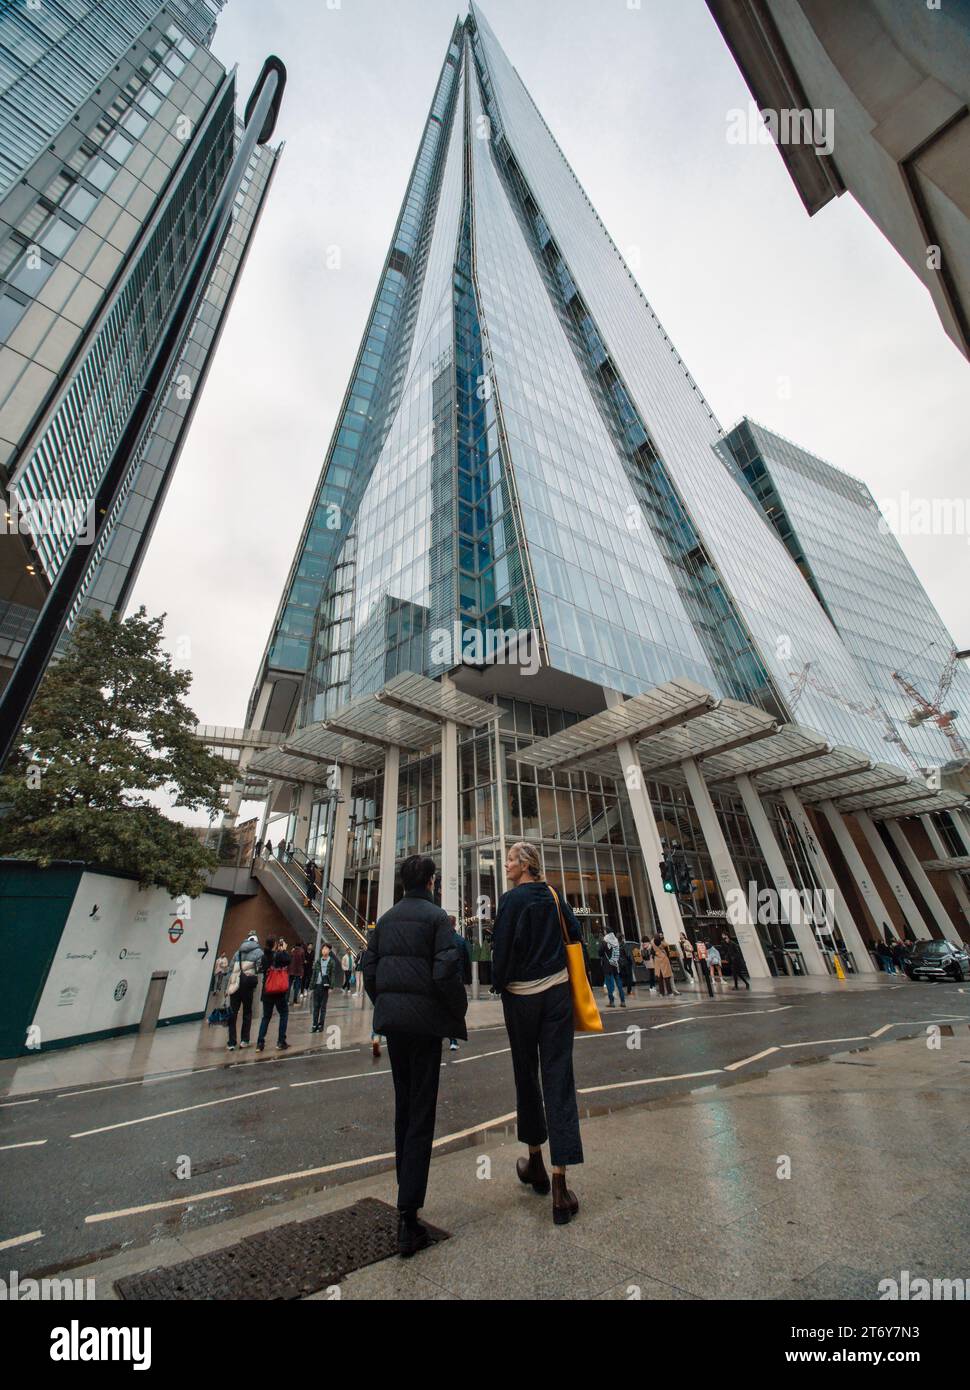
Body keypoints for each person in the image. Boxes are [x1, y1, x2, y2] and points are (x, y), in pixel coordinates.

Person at [361, 855, 467, 1257]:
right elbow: (445, 973)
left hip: (396, 1028)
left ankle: (404, 1201)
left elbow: (369, 969)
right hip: (425, 1028)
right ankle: (409, 1215)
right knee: (421, 1113)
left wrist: (386, 1004)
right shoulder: (438, 919)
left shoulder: (385, 921)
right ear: (431, 881)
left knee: (404, 1108)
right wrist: (455, 1012)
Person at [492, 841, 584, 1227]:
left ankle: (535, 1160)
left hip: (523, 1000)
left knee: (526, 1076)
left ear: (526, 865)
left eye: (512, 859)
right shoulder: (552, 895)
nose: (507, 864)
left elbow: (500, 951)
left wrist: (501, 985)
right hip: (558, 994)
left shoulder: (511, 901)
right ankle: (560, 1185)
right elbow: (575, 934)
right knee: (559, 1078)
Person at [226, 933, 262, 1050]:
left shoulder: (238, 952)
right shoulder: (258, 952)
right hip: (247, 986)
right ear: (256, 942)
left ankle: (231, 1042)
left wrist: (228, 987)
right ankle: (244, 1040)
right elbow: (259, 968)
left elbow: (230, 969)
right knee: (247, 1013)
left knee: (233, 1013)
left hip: (235, 985)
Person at [257, 938, 291, 1052]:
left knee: (266, 1017)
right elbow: (288, 960)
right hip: (278, 991)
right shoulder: (278, 956)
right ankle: (281, 1041)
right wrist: (284, 950)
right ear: (275, 945)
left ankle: (260, 1043)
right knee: (284, 1014)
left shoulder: (264, 956)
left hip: (267, 990)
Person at [449, 915, 472, 1052]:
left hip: (442, 979)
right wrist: (468, 979)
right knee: (455, 1009)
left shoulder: (440, 939)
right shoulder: (461, 941)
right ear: (455, 924)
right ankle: (453, 1039)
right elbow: (467, 961)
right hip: (457, 980)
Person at [310, 944, 337, 1033]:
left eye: (326, 949)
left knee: (323, 1007)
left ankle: (321, 1025)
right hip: (317, 986)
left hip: (325, 986)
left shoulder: (332, 961)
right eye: (323, 949)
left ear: (329, 951)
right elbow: (314, 973)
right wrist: (311, 986)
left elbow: (333, 975)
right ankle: (314, 1025)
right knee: (316, 1006)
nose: (324, 950)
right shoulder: (318, 961)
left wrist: (331, 987)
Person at [598, 929, 626, 1008]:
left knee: (609, 983)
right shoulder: (615, 941)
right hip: (615, 964)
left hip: (607, 965)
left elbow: (600, 952)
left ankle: (612, 1002)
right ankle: (623, 1001)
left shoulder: (605, 942)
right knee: (618, 982)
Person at [289, 941, 306, 1005]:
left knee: (289, 985)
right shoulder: (302, 951)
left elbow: (289, 959)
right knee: (297, 985)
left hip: (291, 970)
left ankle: (287, 999)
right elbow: (303, 960)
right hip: (298, 970)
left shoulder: (292, 950)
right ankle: (295, 999)